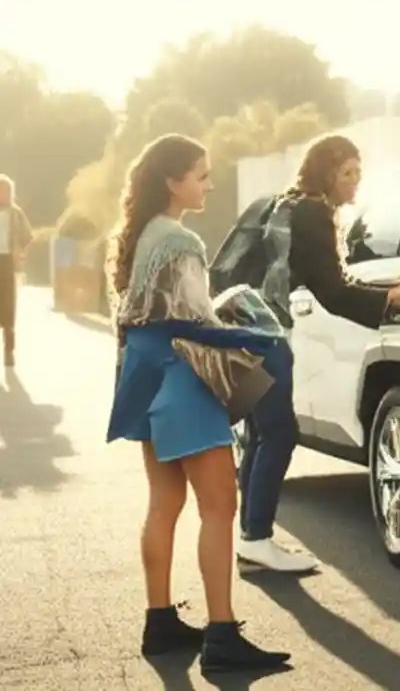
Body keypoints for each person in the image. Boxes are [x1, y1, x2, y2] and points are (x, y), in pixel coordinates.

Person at [104, 134, 291, 672]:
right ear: (173, 180)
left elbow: (140, 320)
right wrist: (253, 335)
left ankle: (159, 622)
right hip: (181, 379)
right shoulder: (181, 242)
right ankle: (222, 636)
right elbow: (192, 322)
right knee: (220, 505)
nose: (209, 184)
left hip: (141, 377)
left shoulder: (137, 237)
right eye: (202, 175)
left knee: (164, 504)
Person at [234, 134, 400, 573]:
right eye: (348, 173)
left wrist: (392, 290)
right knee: (279, 433)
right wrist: (393, 301)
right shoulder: (313, 213)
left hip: (244, 328)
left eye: (359, 172)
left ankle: (250, 538)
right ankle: (256, 539)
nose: (356, 182)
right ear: (327, 173)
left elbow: (333, 282)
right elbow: (334, 292)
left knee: (261, 432)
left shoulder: (289, 205)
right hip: (266, 335)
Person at [0, 174, 34, 367]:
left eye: (4, 190)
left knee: (8, 308)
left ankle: (8, 351)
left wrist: (20, 252)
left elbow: (28, 236)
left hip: (8, 263)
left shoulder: (16, 213)